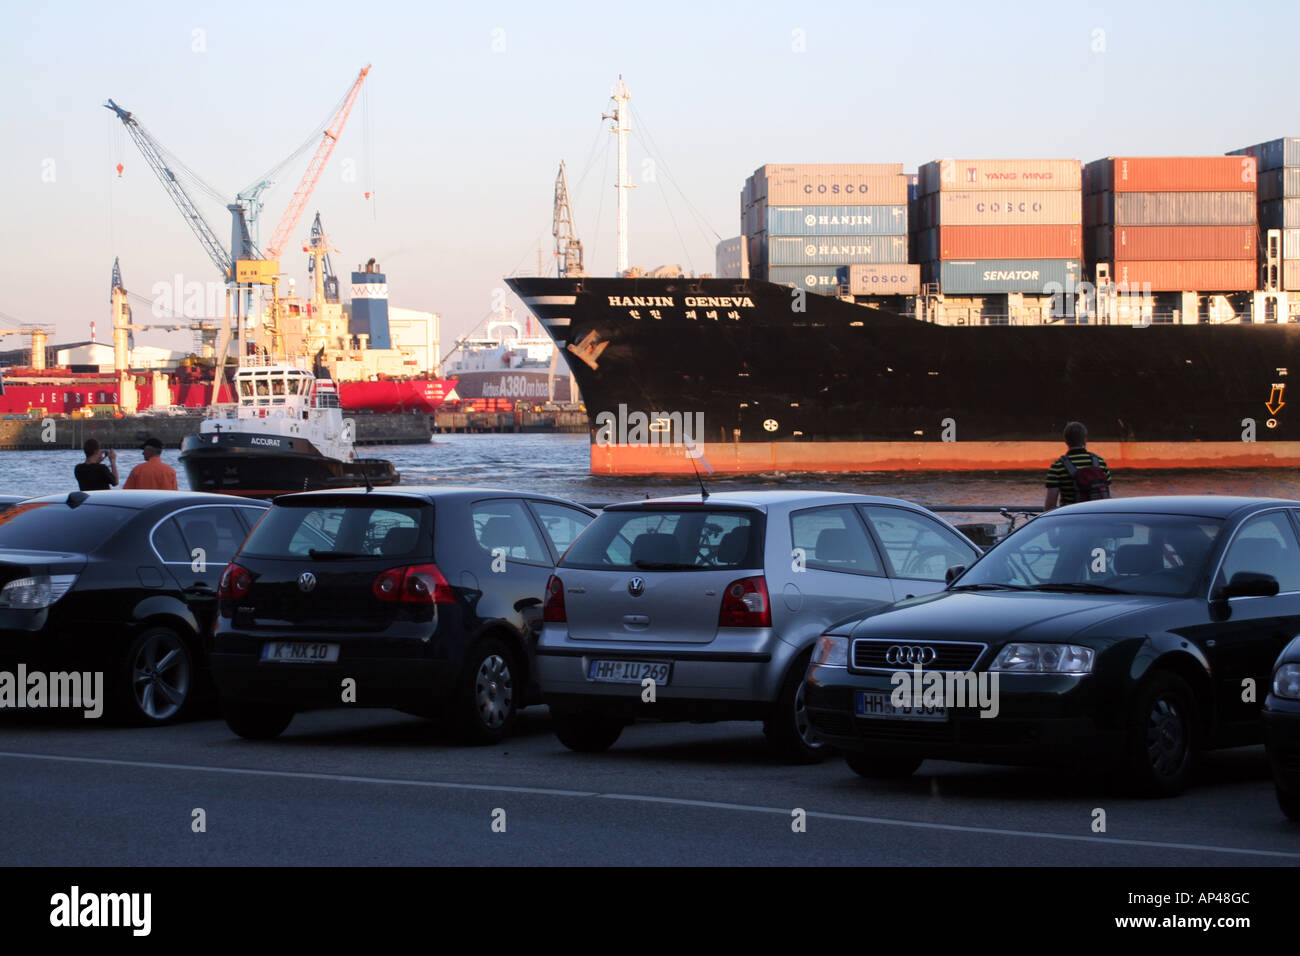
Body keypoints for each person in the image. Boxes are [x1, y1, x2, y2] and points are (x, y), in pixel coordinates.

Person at [1044, 421, 1111, 510]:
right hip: (1097, 518)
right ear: (1085, 439)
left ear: (1066, 441)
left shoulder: (1058, 466)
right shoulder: (1100, 462)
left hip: (1071, 519)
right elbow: (1108, 495)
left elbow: (1050, 505)